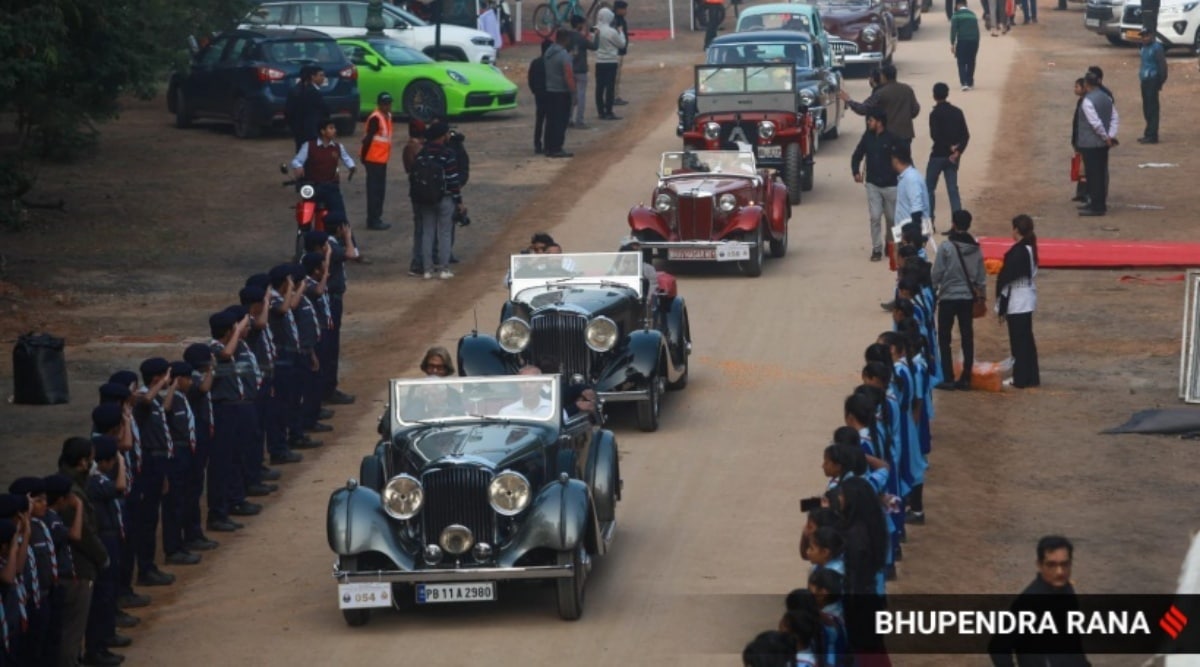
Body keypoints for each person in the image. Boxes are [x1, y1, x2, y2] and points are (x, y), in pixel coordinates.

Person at [989, 536, 1089, 666]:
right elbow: (997, 648)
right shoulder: (1029, 602)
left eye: (1064, 564)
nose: (1060, 572)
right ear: (1039, 565)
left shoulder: (1066, 589)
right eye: (1051, 565)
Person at [56, 438, 110, 667]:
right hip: (79, 567)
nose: (93, 463)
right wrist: (102, 556)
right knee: (74, 630)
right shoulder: (72, 492)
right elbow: (84, 534)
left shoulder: (71, 484)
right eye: (90, 459)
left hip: (77, 565)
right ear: (81, 462)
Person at [932, 210, 986, 390]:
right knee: (967, 337)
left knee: (944, 338)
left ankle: (947, 377)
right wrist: (981, 297)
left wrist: (933, 291)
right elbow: (980, 277)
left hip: (948, 297)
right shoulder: (976, 248)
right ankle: (966, 377)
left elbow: (937, 274)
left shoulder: (946, 247)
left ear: (954, 224)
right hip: (967, 299)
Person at [410, 121, 467, 279]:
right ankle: (444, 269)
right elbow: (453, 180)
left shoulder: (423, 153)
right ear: (442, 136)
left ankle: (427, 270)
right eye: (447, 133)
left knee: (427, 232)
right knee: (444, 233)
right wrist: (459, 201)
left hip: (425, 199)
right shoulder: (447, 154)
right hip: (445, 198)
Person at [997, 214, 1040, 389]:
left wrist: (1002, 303)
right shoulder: (1030, 248)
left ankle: (1021, 378)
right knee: (1026, 340)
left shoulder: (1018, 252)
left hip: (1017, 301)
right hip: (1026, 299)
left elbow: (1007, 279)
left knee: (1019, 342)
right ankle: (1030, 376)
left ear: (1016, 230)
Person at [851, 109, 899, 263]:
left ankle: (890, 245)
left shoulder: (892, 138)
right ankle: (876, 248)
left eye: (870, 120)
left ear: (879, 122)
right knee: (875, 216)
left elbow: (903, 159)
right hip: (873, 184)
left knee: (892, 218)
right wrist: (855, 171)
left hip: (891, 185)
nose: (868, 123)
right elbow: (857, 155)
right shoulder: (867, 137)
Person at [290, 118, 357, 225]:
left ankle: (347, 240)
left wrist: (352, 166)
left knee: (342, 219)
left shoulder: (338, 147)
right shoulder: (309, 146)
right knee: (304, 219)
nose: (334, 130)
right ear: (322, 131)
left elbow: (347, 158)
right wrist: (298, 166)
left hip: (331, 186)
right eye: (331, 128)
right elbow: (296, 161)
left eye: (334, 128)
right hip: (313, 187)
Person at [840, 64, 920, 150]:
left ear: (883, 76)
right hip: (906, 135)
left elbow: (863, 109)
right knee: (905, 161)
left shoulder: (881, 93)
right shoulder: (907, 89)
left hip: (888, 136)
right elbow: (915, 110)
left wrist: (849, 100)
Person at [926, 83, 970, 230]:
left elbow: (935, 136)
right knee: (953, 190)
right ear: (947, 94)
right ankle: (957, 225)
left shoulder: (934, 114)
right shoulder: (957, 112)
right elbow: (965, 135)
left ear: (934, 95)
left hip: (938, 155)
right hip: (953, 157)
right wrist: (957, 151)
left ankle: (929, 223)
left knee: (929, 188)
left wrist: (947, 147)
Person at [1076, 71, 1118, 217]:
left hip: (1090, 143)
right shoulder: (1106, 97)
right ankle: (1099, 203)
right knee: (1100, 173)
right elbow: (1114, 117)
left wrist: (1105, 136)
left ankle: (1096, 206)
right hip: (1102, 144)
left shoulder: (1087, 101)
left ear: (1087, 84)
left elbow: (1095, 123)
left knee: (1093, 176)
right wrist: (1110, 136)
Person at [360, 92, 394, 231]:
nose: (387, 106)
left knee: (379, 190)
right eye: (384, 104)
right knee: (375, 191)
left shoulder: (387, 116)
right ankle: (373, 220)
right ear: (379, 104)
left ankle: (376, 218)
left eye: (388, 103)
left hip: (381, 159)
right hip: (373, 159)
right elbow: (368, 139)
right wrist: (363, 156)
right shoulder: (376, 118)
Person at [891, 145, 930, 263]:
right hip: (905, 231)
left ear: (896, 160)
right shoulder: (907, 176)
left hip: (910, 233)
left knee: (911, 266)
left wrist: (914, 236)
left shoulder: (911, 178)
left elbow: (917, 206)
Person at [543, 30, 577, 158]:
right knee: (560, 122)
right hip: (561, 93)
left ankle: (548, 147)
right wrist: (573, 92)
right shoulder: (564, 55)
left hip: (549, 90)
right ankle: (557, 147)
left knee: (550, 121)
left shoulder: (548, 52)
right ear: (566, 40)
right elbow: (568, 75)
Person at [286, 65, 329, 151]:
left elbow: (288, 111)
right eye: (320, 75)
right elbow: (323, 110)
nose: (323, 78)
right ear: (312, 77)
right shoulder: (313, 92)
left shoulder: (294, 90)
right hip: (311, 130)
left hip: (299, 129)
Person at [594, 7, 626, 121]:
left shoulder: (595, 30)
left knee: (599, 87)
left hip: (599, 62)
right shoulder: (611, 31)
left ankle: (600, 112)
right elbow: (622, 44)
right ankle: (609, 111)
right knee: (609, 88)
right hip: (611, 62)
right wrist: (621, 32)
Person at [1137, 29, 1167, 145]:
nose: (1144, 38)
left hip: (1152, 80)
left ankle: (1152, 135)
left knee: (1152, 109)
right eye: (1142, 36)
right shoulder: (1143, 48)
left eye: (1146, 36)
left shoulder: (1157, 48)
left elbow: (1163, 67)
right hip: (1145, 80)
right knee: (1147, 108)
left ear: (1151, 36)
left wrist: (1160, 82)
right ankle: (1148, 133)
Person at [568, 15, 596, 128]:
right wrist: (596, 35)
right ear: (579, 24)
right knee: (581, 96)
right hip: (581, 69)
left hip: (570, 68)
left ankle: (569, 119)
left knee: (571, 96)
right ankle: (579, 120)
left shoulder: (568, 36)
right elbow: (594, 46)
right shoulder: (581, 38)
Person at [949, 0, 980, 90]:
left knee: (961, 62)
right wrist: (977, 43)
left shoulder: (956, 15)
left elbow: (953, 30)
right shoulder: (973, 15)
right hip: (974, 41)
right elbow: (977, 31)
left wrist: (952, 43)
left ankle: (964, 83)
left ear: (957, 5)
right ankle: (970, 81)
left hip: (963, 41)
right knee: (971, 61)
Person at [529, 40, 552, 154]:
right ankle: (548, 144)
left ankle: (537, 144)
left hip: (539, 94)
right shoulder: (550, 62)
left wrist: (534, 90)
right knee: (549, 120)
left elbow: (530, 79)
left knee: (539, 120)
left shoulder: (535, 62)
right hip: (549, 93)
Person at [1070, 77, 1088, 204]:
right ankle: (1081, 193)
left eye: (1077, 87)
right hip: (1079, 140)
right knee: (1080, 168)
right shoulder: (1081, 101)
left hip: (1084, 141)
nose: (1075, 89)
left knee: (1084, 169)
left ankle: (1084, 194)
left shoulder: (1086, 103)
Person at [612, 0, 630, 106]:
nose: (625, 11)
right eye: (624, 9)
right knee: (615, 76)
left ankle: (615, 95)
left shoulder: (620, 19)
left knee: (617, 76)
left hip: (620, 51)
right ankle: (614, 96)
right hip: (616, 52)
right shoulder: (615, 21)